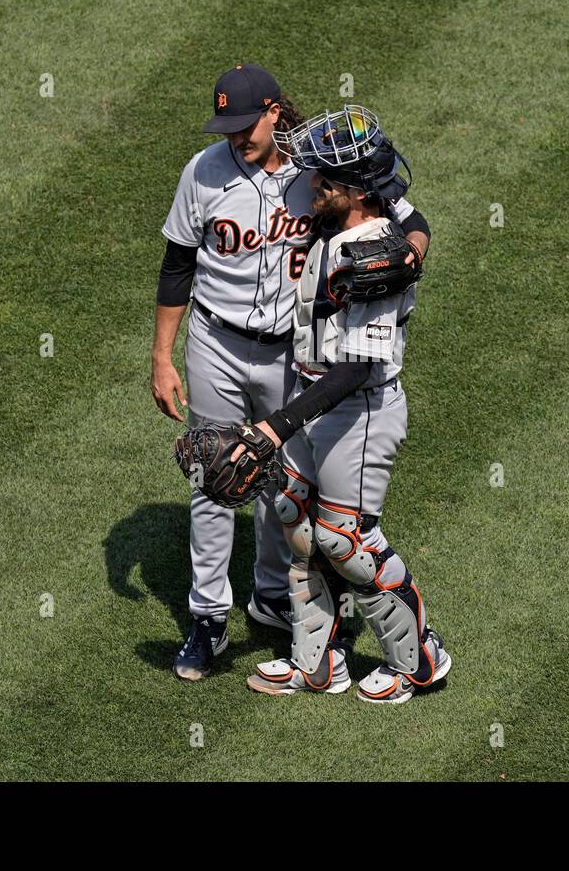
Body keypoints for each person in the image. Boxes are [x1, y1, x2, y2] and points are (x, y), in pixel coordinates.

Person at [153, 69, 432, 681]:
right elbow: (177, 263)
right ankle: (208, 618)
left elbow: (408, 216)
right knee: (215, 471)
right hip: (217, 341)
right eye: (223, 128)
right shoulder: (203, 172)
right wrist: (162, 357)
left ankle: (278, 602)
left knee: (286, 493)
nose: (235, 139)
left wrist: (411, 253)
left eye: (244, 125)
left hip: (296, 356)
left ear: (275, 113)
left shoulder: (323, 167)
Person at [236, 106, 452, 704]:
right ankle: (318, 663)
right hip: (318, 400)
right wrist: (418, 243)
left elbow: (358, 370)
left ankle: (421, 659)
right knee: (295, 515)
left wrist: (275, 427)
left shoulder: (374, 260)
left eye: (324, 183)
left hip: (358, 411)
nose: (311, 189)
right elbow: (413, 214)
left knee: (345, 540)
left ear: (355, 193)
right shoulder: (364, 219)